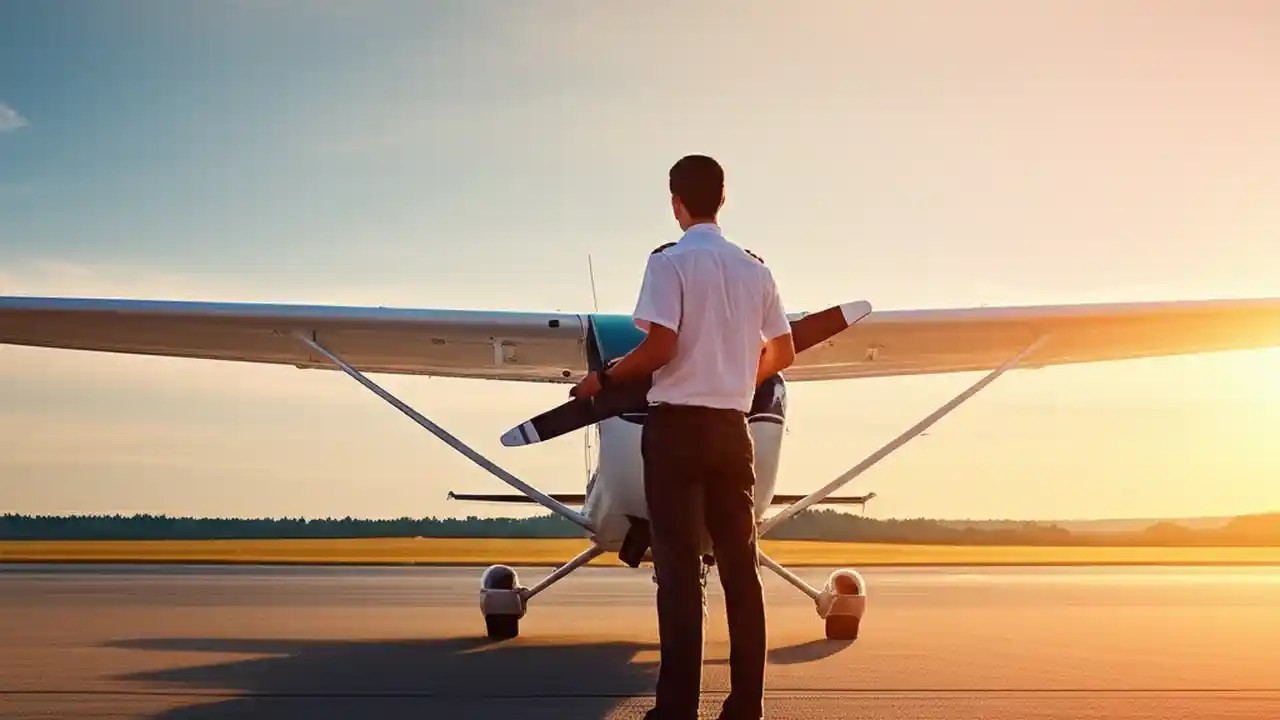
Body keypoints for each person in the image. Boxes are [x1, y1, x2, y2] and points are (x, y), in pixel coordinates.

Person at [572, 155, 796, 720]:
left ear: (676, 204)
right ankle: (747, 705)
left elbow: (661, 347)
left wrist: (605, 377)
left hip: (675, 433)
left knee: (677, 577)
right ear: (723, 199)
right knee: (741, 573)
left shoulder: (667, 263)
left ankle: (676, 710)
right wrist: (741, 375)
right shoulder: (756, 269)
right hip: (732, 432)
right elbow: (784, 352)